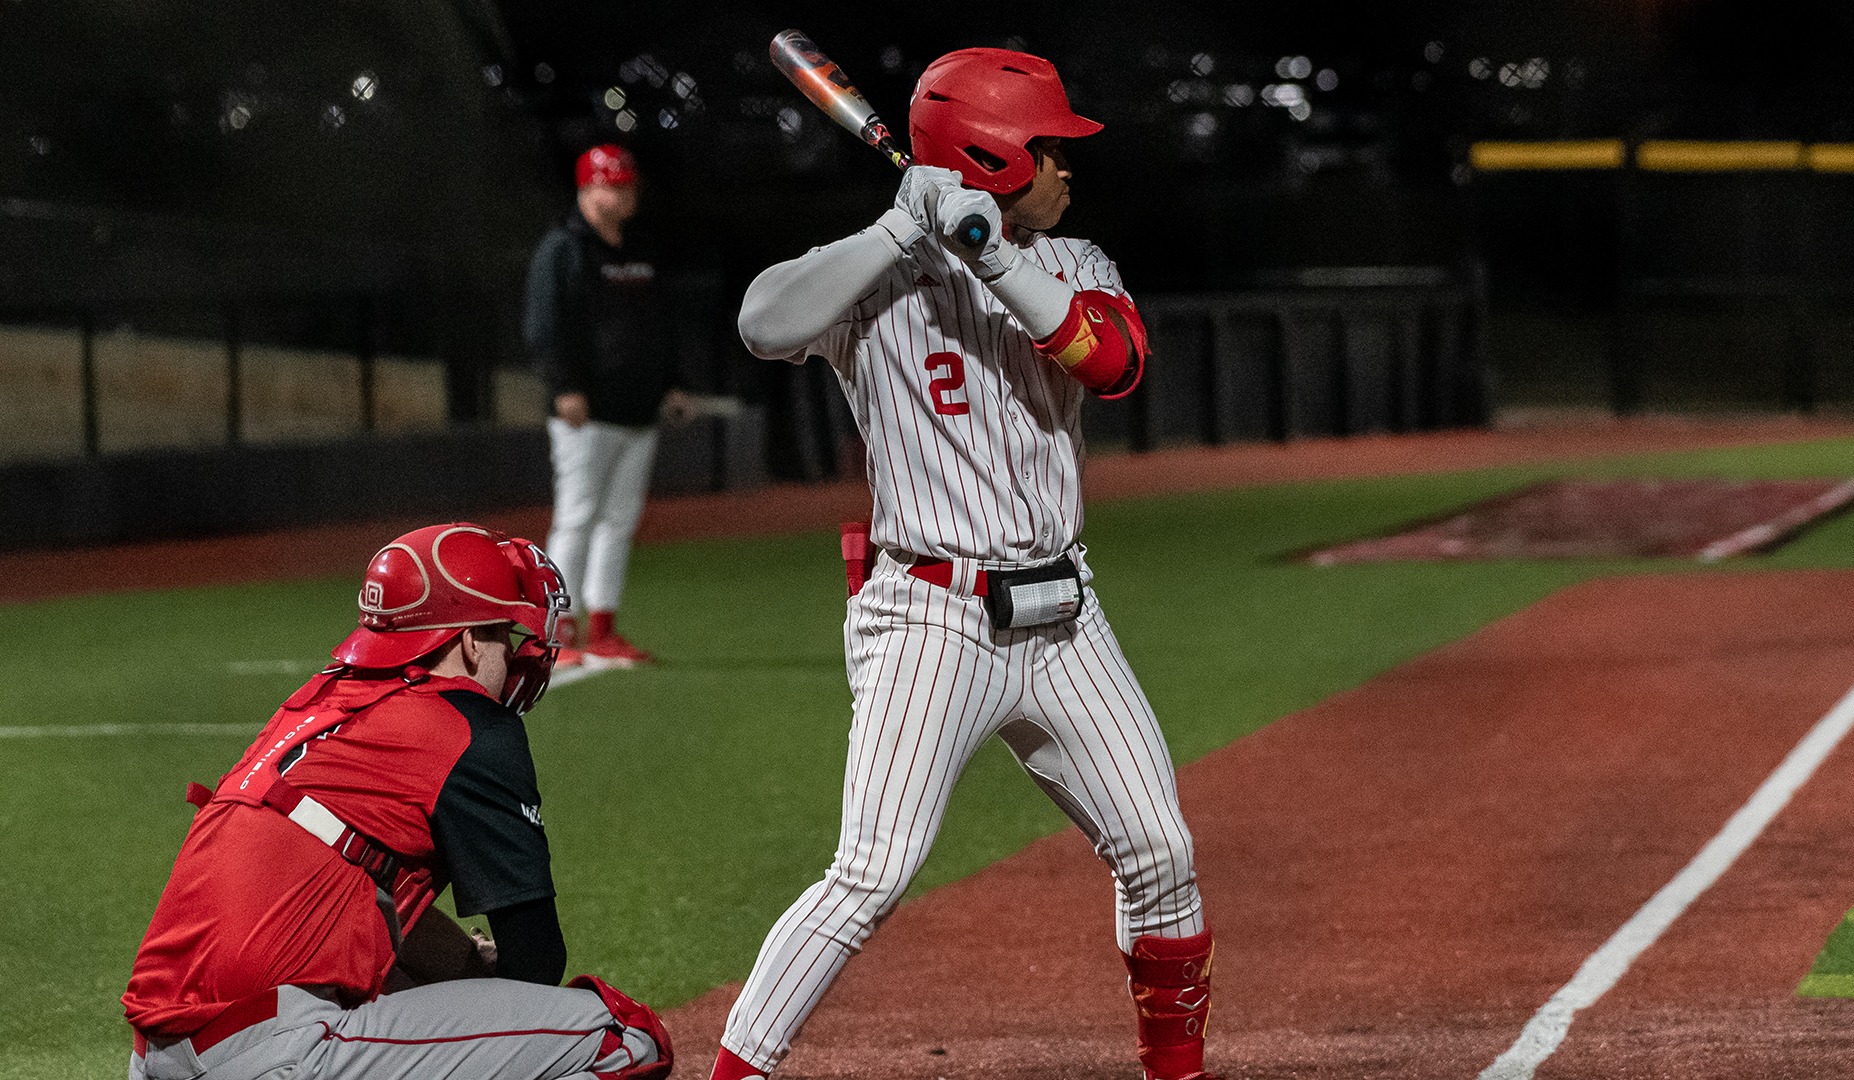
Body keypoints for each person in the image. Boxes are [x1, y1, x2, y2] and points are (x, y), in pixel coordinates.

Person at [718, 48, 1216, 1080]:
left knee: (1161, 854)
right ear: (992, 154)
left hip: (1065, 618)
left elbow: (1113, 364)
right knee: (871, 872)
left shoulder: (1074, 263)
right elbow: (762, 322)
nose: (1068, 167)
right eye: (1047, 149)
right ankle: (736, 1070)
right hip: (928, 619)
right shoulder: (877, 269)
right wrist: (901, 228)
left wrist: (994, 255)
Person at [123, 523, 672, 1080]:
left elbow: (359, 881)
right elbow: (535, 962)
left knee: (419, 979)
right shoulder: (465, 725)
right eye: (502, 634)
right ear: (466, 641)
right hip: (279, 1052)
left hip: (160, 1058)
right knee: (623, 1039)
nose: (512, 654)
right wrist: (474, 979)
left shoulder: (318, 706)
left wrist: (458, 963)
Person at [524, 144, 694, 668]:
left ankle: (603, 627)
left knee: (618, 521)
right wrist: (562, 387)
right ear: (587, 189)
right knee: (576, 516)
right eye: (613, 185)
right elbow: (544, 325)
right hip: (587, 412)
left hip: (637, 410)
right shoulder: (563, 250)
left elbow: (659, 326)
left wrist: (673, 383)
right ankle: (558, 629)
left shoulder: (638, 248)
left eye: (626, 185)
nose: (623, 194)